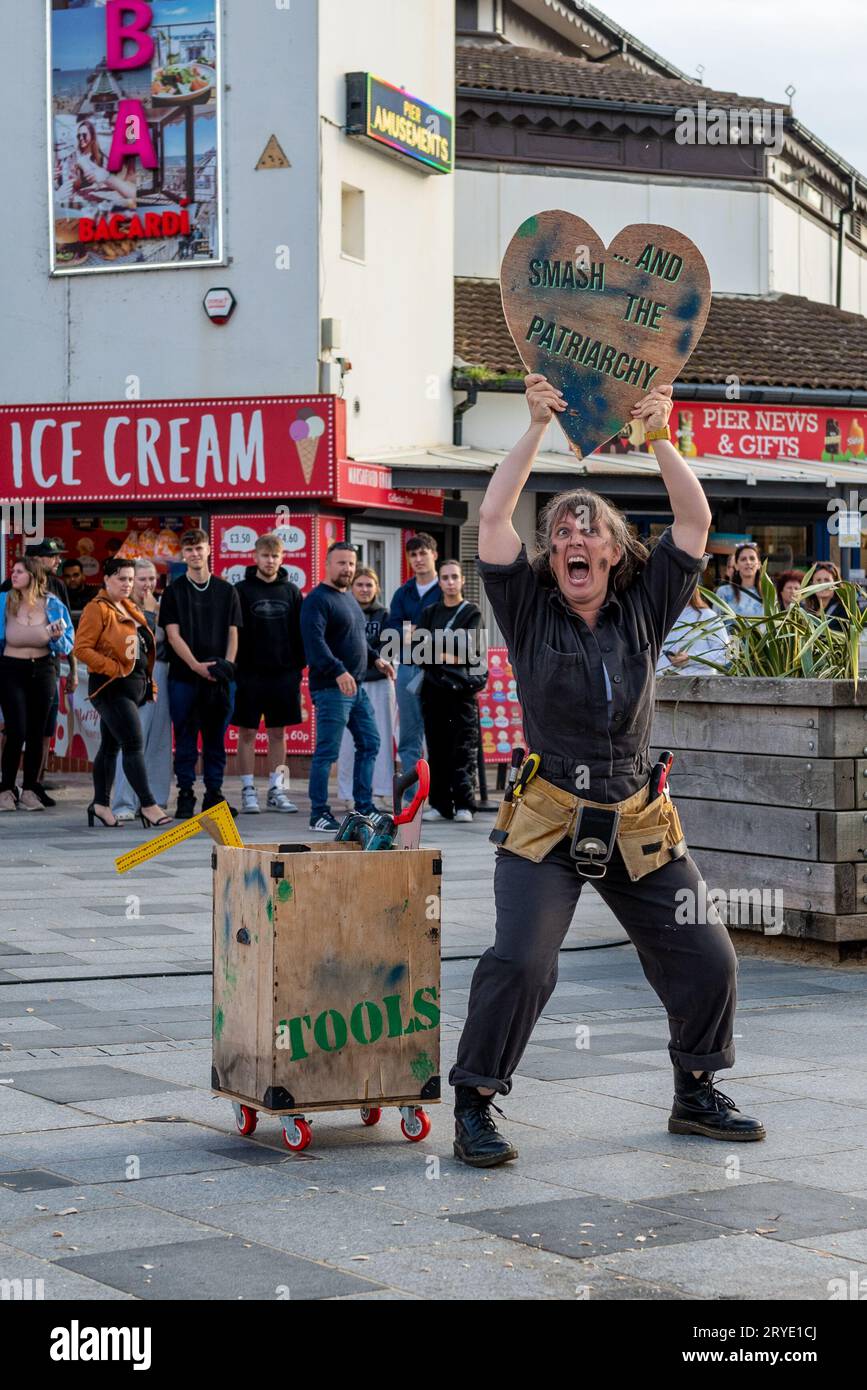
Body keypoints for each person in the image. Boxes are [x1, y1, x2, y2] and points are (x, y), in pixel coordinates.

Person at [449, 373, 764, 1167]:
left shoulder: (645, 606)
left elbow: (694, 518)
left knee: (707, 954)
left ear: (616, 552)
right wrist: (532, 428)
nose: (572, 540)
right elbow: (491, 515)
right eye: (560, 532)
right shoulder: (524, 609)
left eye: (588, 531)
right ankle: (474, 1101)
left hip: (636, 816)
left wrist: (659, 435)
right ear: (550, 556)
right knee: (522, 960)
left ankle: (695, 1091)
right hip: (547, 816)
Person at [301, 542, 395, 831]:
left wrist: (377, 659)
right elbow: (314, 643)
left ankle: (364, 807)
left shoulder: (349, 599)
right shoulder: (317, 600)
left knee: (371, 743)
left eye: (351, 564)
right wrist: (339, 671)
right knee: (327, 752)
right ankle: (319, 813)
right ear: (327, 565)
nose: (348, 569)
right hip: (332, 688)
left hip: (357, 688)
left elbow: (356, 638)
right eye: (341, 563)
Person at [74, 558, 171, 830]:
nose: (127, 584)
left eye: (130, 579)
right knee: (133, 744)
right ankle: (149, 805)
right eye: (122, 579)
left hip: (132, 688)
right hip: (111, 689)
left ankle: (101, 805)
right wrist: (113, 668)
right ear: (106, 579)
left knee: (110, 746)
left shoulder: (129, 606)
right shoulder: (97, 608)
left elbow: (143, 647)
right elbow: (81, 649)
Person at [158, 529, 242, 819]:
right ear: (184, 554)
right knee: (184, 737)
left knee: (216, 738)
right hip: (184, 676)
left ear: (209, 550)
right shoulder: (173, 592)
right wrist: (194, 665)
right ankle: (184, 793)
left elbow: (233, 632)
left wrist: (226, 666)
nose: (195, 554)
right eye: (189, 549)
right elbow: (172, 634)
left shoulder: (227, 590)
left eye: (199, 548)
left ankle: (214, 794)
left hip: (219, 678)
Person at [233, 533, 303, 815]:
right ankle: (247, 789)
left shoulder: (292, 592)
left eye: (275, 556)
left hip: (283, 673)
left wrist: (297, 667)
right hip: (248, 673)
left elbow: (300, 633)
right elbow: (233, 632)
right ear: (255, 557)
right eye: (265, 556)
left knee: (278, 732)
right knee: (247, 732)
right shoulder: (240, 589)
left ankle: (278, 790)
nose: (270, 561)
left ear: (282, 558)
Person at [2, 540, 78, 793]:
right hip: (12, 669)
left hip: (45, 669)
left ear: (32, 576)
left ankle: (32, 789)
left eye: (19, 572)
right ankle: (6, 788)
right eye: (13, 571)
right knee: (16, 730)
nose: (13, 575)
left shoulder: (53, 602)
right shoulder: (4, 600)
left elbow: (68, 644)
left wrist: (57, 639)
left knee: (37, 731)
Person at [417, 559, 486, 823]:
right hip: (434, 690)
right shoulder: (430, 612)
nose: (449, 582)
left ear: (462, 580)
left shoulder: (472, 612)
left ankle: (465, 805)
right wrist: (447, 652)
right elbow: (417, 651)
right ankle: (439, 804)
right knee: (436, 748)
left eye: (454, 577)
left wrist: (436, 650)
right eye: (444, 577)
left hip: (461, 693)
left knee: (464, 748)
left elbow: (471, 653)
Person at [111, 559, 172, 823]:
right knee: (132, 739)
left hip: (160, 670)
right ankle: (123, 802)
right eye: (142, 579)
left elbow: (168, 639)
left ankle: (156, 799)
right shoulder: (120, 605)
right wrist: (149, 616)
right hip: (130, 673)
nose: (147, 585)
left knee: (158, 738)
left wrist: (155, 613)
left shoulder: (160, 604)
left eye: (151, 579)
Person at [384, 534, 441, 800]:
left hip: (442, 669)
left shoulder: (447, 589)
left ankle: (443, 798)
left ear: (434, 555)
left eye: (423, 553)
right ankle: (412, 798)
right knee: (409, 736)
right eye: (413, 555)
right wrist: (417, 631)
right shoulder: (402, 593)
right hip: (408, 666)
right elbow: (391, 633)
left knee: (442, 734)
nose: (418, 559)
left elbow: (459, 631)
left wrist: (414, 630)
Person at [337, 568, 396, 810]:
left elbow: (388, 650)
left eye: (368, 585)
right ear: (352, 587)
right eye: (359, 584)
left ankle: (382, 791)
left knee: (379, 739)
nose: (364, 589)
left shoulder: (385, 615)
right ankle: (348, 793)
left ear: (376, 588)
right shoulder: (343, 611)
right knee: (347, 742)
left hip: (379, 683)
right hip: (350, 683)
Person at [656, 587, 731, 676]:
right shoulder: (658, 616)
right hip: (660, 683)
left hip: (697, 684)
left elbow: (725, 654)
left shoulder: (707, 615)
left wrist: (690, 658)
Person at [715, 543, 764, 618]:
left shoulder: (767, 593)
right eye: (743, 559)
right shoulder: (724, 592)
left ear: (759, 564)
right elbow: (715, 622)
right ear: (736, 565)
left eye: (752, 558)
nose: (748, 562)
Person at [802, 561, 848, 632]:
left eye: (827, 580)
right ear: (811, 584)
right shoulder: (807, 611)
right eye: (818, 580)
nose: (822, 584)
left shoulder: (844, 610)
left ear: (835, 583)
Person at [61, 558, 99, 626]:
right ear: (63, 578)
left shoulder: (94, 593)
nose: (72, 579)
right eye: (68, 576)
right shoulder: (59, 595)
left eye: (76, 575)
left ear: (83, 576)